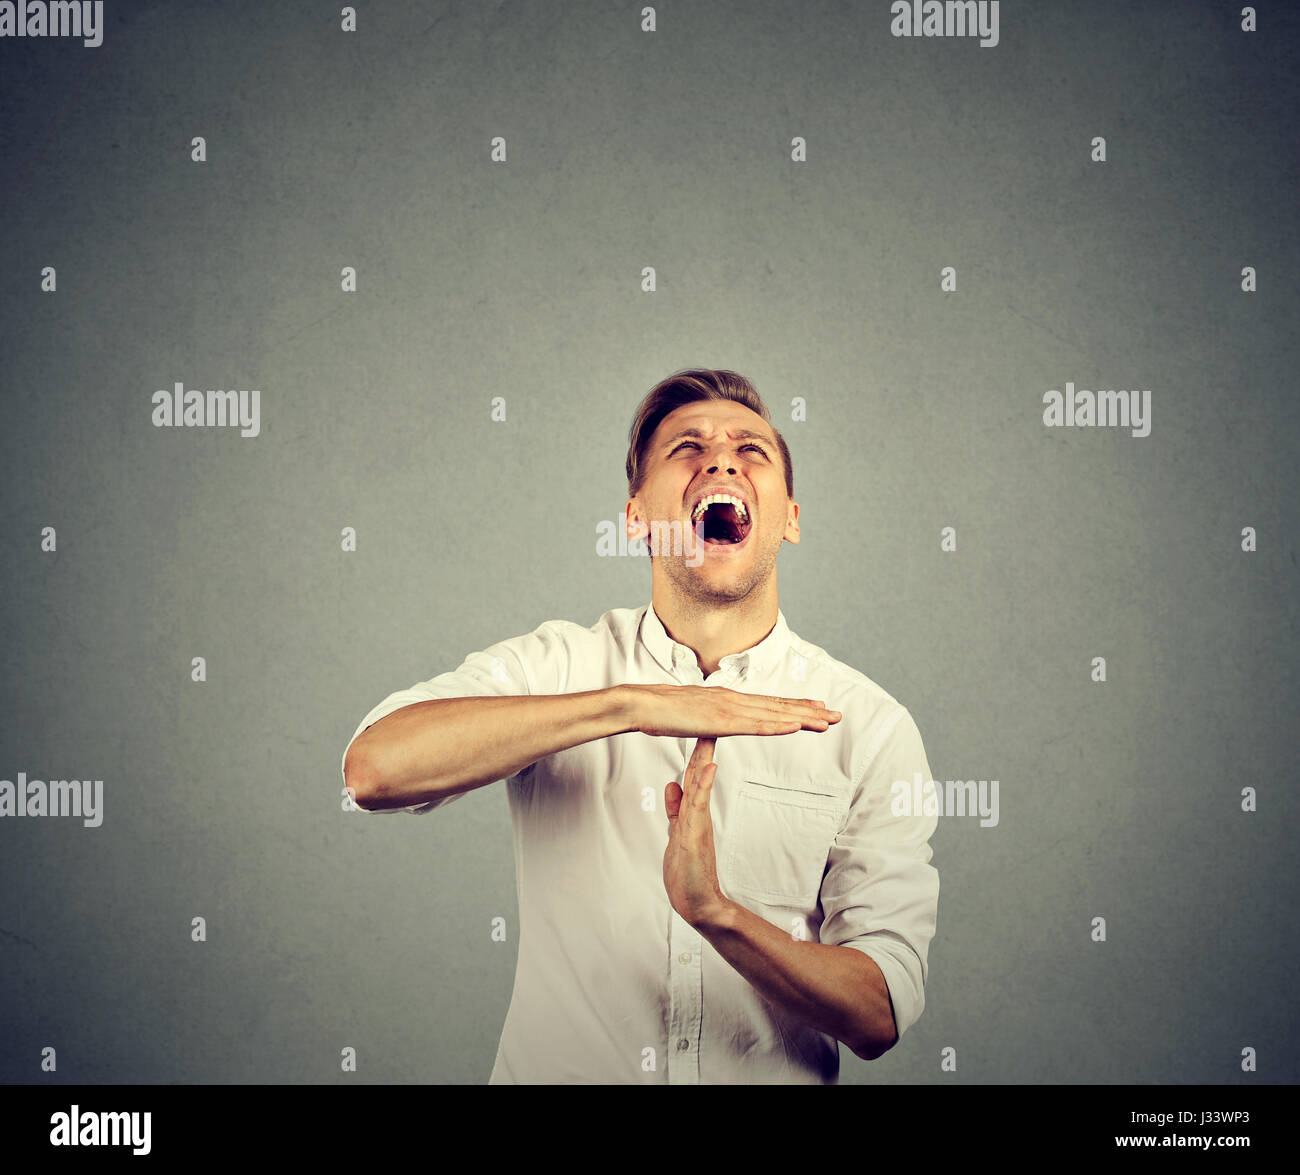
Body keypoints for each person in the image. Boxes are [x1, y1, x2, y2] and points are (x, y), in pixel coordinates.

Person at [341, 368, 939, 1084]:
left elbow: (879, 1010)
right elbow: (373, 768)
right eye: (687, 447)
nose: (721, 459)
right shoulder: (563, 664)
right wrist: (630, 704)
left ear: (790, 517)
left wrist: (718, 915)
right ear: (635, 516)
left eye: (752, 450)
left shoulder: (867, 725)